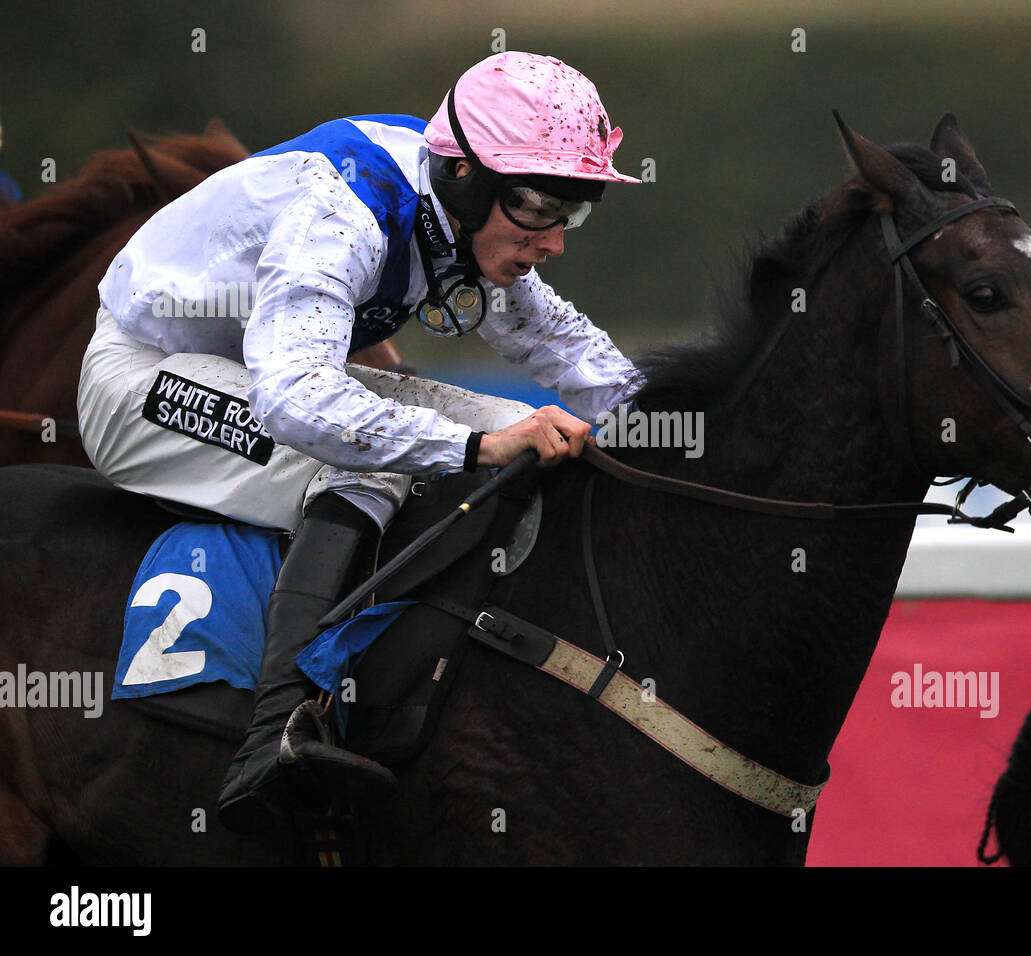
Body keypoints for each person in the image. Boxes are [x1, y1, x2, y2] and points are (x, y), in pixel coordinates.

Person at [76, 51, 644, 833]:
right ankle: (278, 731)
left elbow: (582, 363)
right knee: (391, 453)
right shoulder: (344, 205)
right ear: (468, 179)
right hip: (139, 382)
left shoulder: (457, 211)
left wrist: (686, 439)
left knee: (497, 424)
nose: (554, 241)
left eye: (573, 212)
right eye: (542, 208)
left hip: (245, 367)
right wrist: (477, 451)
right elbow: (297, 397)